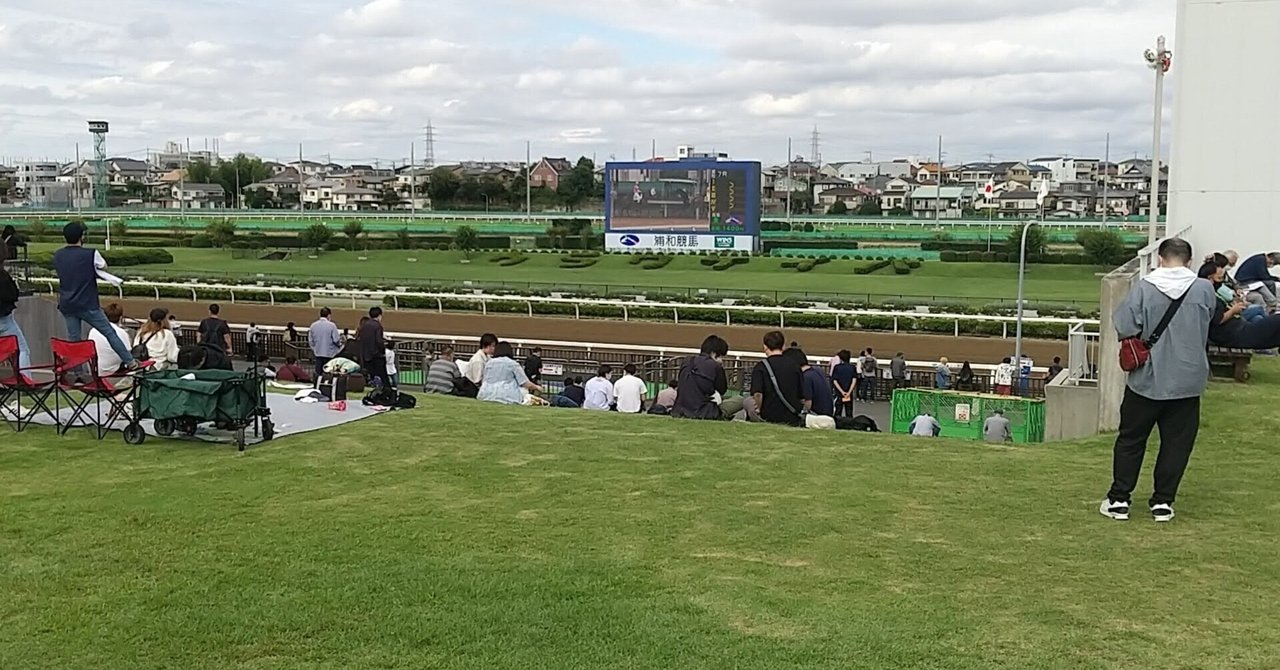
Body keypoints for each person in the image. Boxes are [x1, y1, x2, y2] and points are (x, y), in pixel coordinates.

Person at [1101, 237, 1216, 523]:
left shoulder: (1145, 287)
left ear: (1160, 259)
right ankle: (1163, 502)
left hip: (1148, 378)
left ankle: (1119, 499)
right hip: (1187, 379)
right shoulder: (1203, 289)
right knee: (1176, 444)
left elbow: (1126, 324)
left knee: (1131, 440)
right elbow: (1209, 321)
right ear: (1189, 261)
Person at [52, 222, 137, 370]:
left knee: (74, 340)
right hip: (88, 304)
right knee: (110, 333)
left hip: (67, 303)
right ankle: (131, 362)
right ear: (82, 236)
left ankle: (78, 373)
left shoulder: (58, 254)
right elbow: (103, 266)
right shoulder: (90, 253)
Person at [1201, 260, 1280, 349]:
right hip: (1234, 335)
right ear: (1210, 279)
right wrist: (1233, 311)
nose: (1221, 282)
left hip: (1239, 328)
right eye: (1219, 278)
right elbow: (1217, 320)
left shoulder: (1211, 293)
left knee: (1259, 319)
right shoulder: (1209, 297)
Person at [672, 335, 745, 421]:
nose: (722, 360)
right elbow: (722, 390)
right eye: (721, 357)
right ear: (714, 354)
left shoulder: (686, 361)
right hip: (704, 411)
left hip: (679, 410)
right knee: (741, 400)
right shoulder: (715, 366)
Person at [749, 330, 807, 427]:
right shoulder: (794, 365)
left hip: (769, 415)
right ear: (783, 346)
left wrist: (759, 410)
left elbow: (758, 394)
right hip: (791, 416)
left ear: (765, 347)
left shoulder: (761, 366)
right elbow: (802, 396)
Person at [477, 341, 542, 405]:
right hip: (506, 397)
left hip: (484, 394)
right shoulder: (512, 364)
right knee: (523, 390)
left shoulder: (489, 363)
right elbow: (524, 383)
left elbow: (484, 379)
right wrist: (537, 387)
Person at [0, 243, 30, 369]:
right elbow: (12, 294)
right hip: (3, 319)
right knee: (22, 350)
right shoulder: (3, 276)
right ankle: (24, 380)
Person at [88, 303, 132, 374]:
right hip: (113, 370)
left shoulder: (93, 330)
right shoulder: (122, 332)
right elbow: (128, 354)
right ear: (121, 318)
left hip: (95, 369)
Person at [789, 347, 834, 418]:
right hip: (828, 414)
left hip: (818, 417)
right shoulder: (818, 370)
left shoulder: (805, 377)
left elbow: (808, 404)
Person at [357, 307, 388, 388]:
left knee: (371, 374)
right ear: (379, 316)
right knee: (382, 375)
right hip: (376, 355)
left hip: (365, 354)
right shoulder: (378, 326)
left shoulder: (364, 325)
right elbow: (378, 341)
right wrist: (383, 349)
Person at [308, 307, 342, 377]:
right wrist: (340, 346)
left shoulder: (313, 325)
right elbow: (336, 340)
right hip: (330, 354)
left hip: (318, 354)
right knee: (329, 374)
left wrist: (314, 349)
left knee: (318, 374)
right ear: (329, 315)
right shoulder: (332, 325)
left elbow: (310, 340)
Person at [830, 349, 856, 418]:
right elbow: (854, 380)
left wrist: (842, 392)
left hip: (839, 393)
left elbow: (835, 381)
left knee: (838, 411)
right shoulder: (852, 367)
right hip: (849, 393)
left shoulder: (837, 367)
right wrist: (849, 392)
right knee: (849, 411)